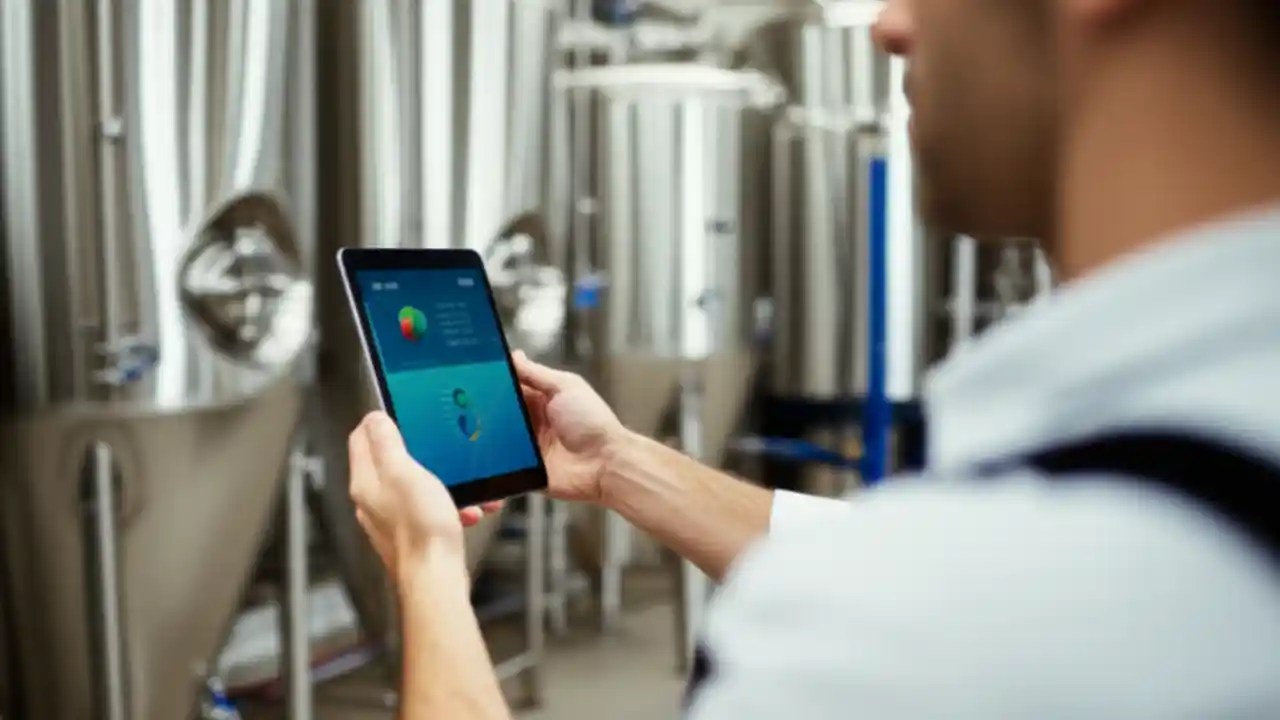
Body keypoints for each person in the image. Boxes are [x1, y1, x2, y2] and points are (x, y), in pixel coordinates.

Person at [346, 0, 1280, 716]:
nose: (888, 25)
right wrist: (619, 464)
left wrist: (429, 570)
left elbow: (923, 597)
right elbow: (907, 565)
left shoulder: (908, 647)